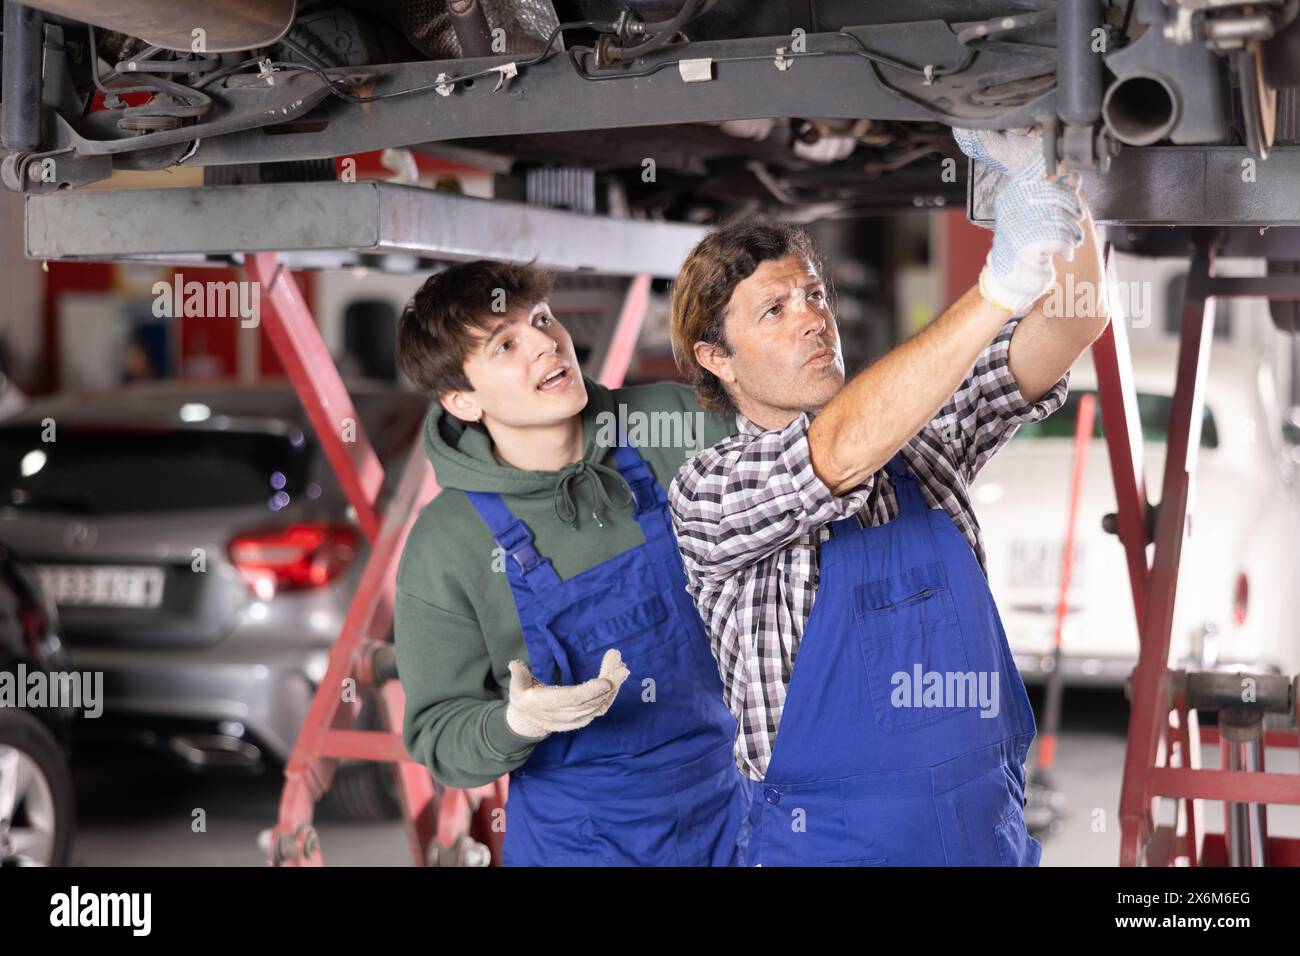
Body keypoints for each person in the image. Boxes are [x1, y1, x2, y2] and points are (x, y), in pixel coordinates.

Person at [665, 128, 1110, 866]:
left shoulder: (926, 442)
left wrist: (1054, 176)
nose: (812, 317)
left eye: (813, 294)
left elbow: (1075, 317)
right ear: (718, 360)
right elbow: (834, 452)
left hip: (983, 840)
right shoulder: (709, 492)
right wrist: (996, 286)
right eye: (773, 311)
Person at [393, 260, 749, 866]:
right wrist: (517, 723)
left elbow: (810, 455)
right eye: (506, 344)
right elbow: (439, 738)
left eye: (541, 319)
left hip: (730, 811)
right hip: (581, 843)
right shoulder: (447, 543)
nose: (546, 344)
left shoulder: (671, 424)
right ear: (462, 400)